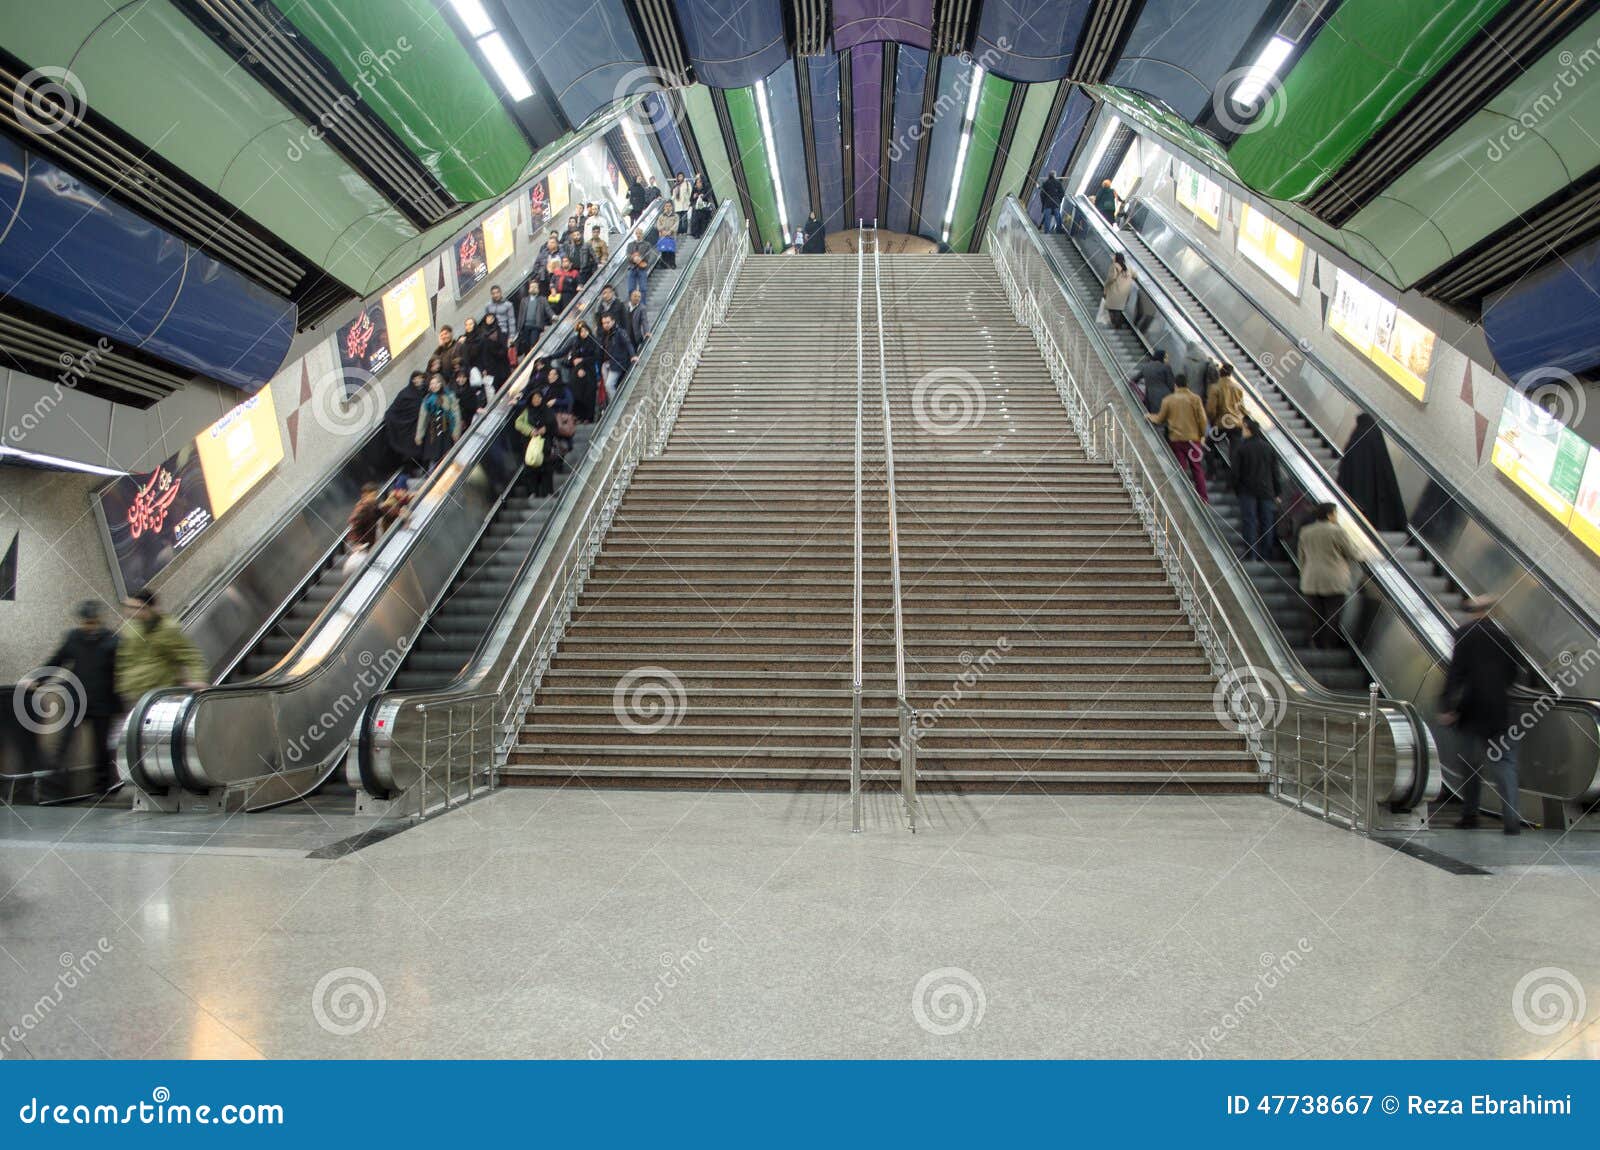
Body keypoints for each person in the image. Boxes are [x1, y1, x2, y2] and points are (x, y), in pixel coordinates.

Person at [1440, 596, 1524, 834]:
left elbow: (1456, 672)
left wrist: (1447, 706)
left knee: (1469, 763)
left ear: (1472, 613)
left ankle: (1470, 814)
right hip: (1501, 709)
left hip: (1471, 708)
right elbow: (1513, 671)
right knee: (1504, 764)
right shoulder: (1504, 638)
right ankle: (1511, 821)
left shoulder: (1464, 634)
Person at [28, 601, 121, 797]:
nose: (89, 627)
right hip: (77, 700)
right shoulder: (73, 638)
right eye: (86, 623)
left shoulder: (113, 640)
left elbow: (122, 669)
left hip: (103, 702)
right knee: (63, 744)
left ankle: (101, 788)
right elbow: (57, 661)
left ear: (99, 621)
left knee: (100, 746)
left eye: (93, 622)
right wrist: (36, 679)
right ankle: (53, 788)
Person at [116, 591, 207, 704]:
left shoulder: (168, 629)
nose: (130, 612)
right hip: (136, 696)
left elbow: (192, 656)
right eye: (128, 607)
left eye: (135, 608)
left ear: (148, 608)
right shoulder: (130, 627)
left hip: (163, 694)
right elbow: (124, 657)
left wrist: (198, 680)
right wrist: (123, 683)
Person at [1296, 503, 1361, 649]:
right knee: (1332, 614)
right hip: (1334, 580)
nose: (1336, 516)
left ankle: (1312, 643)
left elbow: (1301, 557)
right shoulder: (1338, 532)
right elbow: (1351, 553)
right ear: (1329, 515)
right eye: (1335, 513)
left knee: (1314, 614)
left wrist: (1304, 573)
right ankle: (1328, 645)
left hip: (1311, 579)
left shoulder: (1305, 531)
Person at [1336, 412, 1407, 532]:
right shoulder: (1375, 436)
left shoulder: (1357, 435)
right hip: (1373, 484)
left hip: (1357, 483)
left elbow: (1348, 461)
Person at [1146, 378, 1209, 502]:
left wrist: (1150, 416)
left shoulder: (1168, 400)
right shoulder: (1195, 399)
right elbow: (1203, 420)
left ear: (1175, 385)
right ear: (1187, 385)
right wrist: (1202, 436)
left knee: (1180, 469)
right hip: (1193, 439)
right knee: (1197, 468)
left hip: (1177, 440)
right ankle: (1203, 498)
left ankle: (1182, 498)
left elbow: (1159, 419)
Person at [1231, 417, 1280, 561]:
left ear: (1249, 430)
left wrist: (1236, 489)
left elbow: (1235, 472)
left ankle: (1251, 554)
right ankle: (1266, 554)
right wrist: (1277, 492)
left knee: (1250, 521)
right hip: (1267, 491)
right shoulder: (1268, 448)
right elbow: (1275, 472)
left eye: (1244, 429)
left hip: (1247, 492)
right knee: (1267, 522)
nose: (1242, 432)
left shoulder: (1241, 448)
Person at [1204, 361, 1245, 476]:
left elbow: (1211, 409)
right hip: (1237, 424)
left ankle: (1211, 471)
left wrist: (1212, 422)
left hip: (1222, 423)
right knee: (1234, 454)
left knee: (1208, 445)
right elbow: (1242, 407)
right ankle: (1234, 479)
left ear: (1220, 373)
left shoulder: (1215, 387)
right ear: (1231, 374)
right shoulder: (1238, 388)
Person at [383, 370, 429, 472]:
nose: (418, 380)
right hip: (409, 428)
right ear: (412, 380)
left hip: (421, 425)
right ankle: (414, 469)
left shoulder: (425, 390)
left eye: (420, 378)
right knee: (412, 450)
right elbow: (394, 409)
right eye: (416, 378)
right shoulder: (405, 394)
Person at [415, 373, 461, 469]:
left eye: (436, 383)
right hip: (433, 431)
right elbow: (423, 418)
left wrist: (456, 431)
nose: (434, 386)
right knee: (433, 456)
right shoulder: (427, 400)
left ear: (441, 383)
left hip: (447, 429)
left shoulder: (449, 396)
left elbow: (456, 414)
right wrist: (419, 435)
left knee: (448, 453)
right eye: (432, 384)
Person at [561, 320, 604, 421]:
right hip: (578, 372)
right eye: (581, 331)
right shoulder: (576, 342)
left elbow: (596, 356)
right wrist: (579, 367)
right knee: (577, 394)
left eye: (585, 331)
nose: (583, 333)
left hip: (590, 370)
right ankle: (579, 416)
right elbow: (574, 358)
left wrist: (583, 360)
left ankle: (589, 417)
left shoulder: (594, 342)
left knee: (589, 394)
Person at [598, 313, 636, 407]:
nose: (606, 325)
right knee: (608, 386)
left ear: (613, 321)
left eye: (608, 322)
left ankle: (615, 405)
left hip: (618, 363)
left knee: (609, 385)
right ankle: (611, 404)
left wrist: (633, 356)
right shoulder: (604, 334)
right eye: (604, 323)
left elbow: (628, 344)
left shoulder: (620, 332)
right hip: (607, 364)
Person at [1129, 348, 1176, 414]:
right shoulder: (1166, 367)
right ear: (1161, 357)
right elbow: (1171, 386)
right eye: (1166, 358)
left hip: (1150, 399)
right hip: (1166, 398)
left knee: (1155, 418)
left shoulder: (1146, 367)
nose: (1167, 360)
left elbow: (1134, 380)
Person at [1101, 253, 1133, 328]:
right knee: (1118, 308)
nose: (1112, 258)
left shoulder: (1114, 266)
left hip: (1115, 290)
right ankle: (1118, 324)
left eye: (1114, 257)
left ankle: (1116, 324)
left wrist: (1106, 284)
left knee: (1111, 308)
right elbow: (1135, 275)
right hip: (1125, 291)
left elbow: (1112, 278)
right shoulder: (1129, 267)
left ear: (1116, 258)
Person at [656, 199, 680, 269]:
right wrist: (662, 230)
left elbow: (676, 225)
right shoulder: (661, 216)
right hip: (663, 236)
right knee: (664, 251)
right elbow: (658, 225)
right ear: (664, 207)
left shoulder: (675, 216)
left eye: (669, 206)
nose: (668, 208)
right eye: (666, 206)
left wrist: (670, 231)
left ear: (672, 207)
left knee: (671, 250)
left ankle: (672, 264)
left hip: (671, 236)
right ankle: (664, 264)